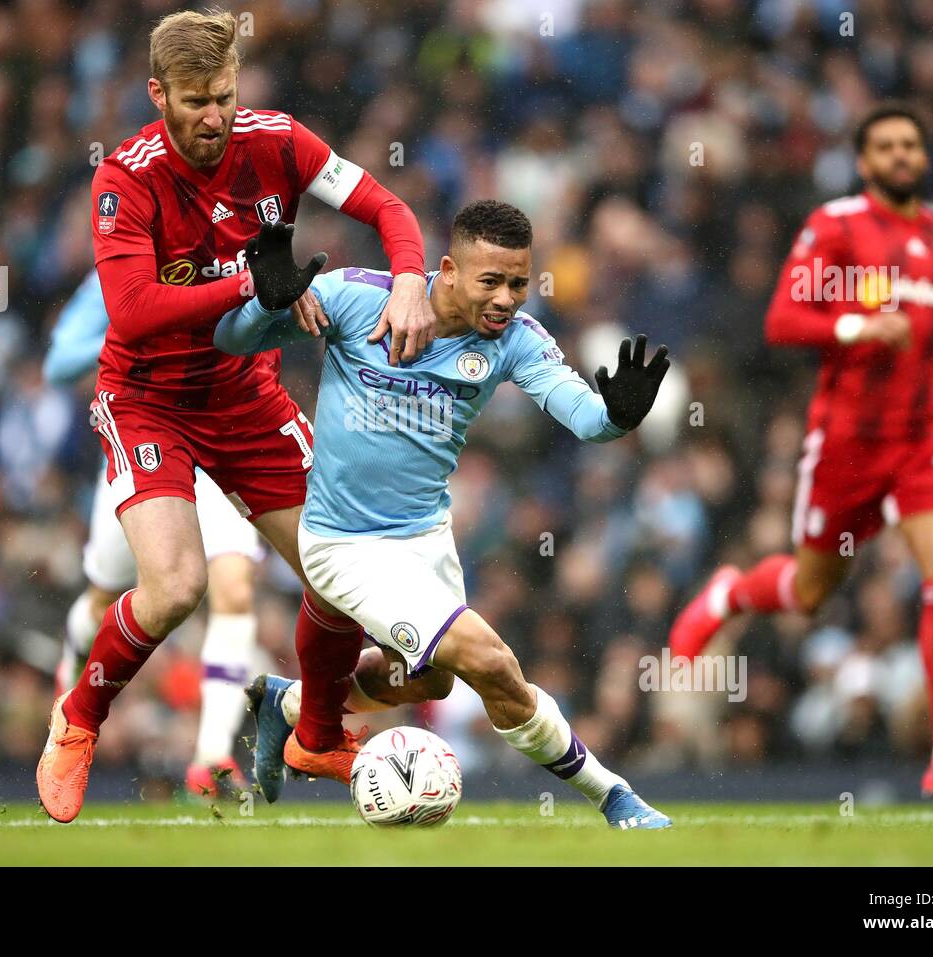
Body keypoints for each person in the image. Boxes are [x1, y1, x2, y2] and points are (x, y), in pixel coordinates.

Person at [37, 8, 435, 823]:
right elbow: (138, 310)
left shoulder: (279, 143)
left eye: (223, 96)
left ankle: (311, 728)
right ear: (158, 95)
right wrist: (252, 287)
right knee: (177, 585)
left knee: (343, 574)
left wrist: (407, 279)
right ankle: (78, 718)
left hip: (247, 401)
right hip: (149, 401)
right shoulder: (125, 176)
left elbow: (389, 208)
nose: (213, 116)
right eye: (193, 101)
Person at [216, 201, 674, 829]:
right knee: (490, 664)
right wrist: (266, 303)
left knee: (430, 683)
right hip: (343, 545)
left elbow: (586, 419)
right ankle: (613, 795)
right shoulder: (356, 298)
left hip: (426, 539)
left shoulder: (516, 341)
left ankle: (287, 704)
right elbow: (230, 339)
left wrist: (618, 416)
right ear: (450, 269)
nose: (507, 298)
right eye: (491, 281)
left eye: (518, 282)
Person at [669, 103, 933, 799]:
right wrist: (854, 324)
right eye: (885, 146)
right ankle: (732, 590)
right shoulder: (836, 226)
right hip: (848, 442)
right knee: (810, 590)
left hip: (926, 437)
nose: (901, 155)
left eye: (911, 144)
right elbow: (782, 319)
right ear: (864, 161)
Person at [43, 268, 265, 799]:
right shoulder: (120, 272)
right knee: (107, 596)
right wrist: (155, 328)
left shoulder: (237, 245)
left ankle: (211, 758)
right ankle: (71, 678)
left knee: (233, 588)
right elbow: (58, 364)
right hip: (144, 442)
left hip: (223, 438)